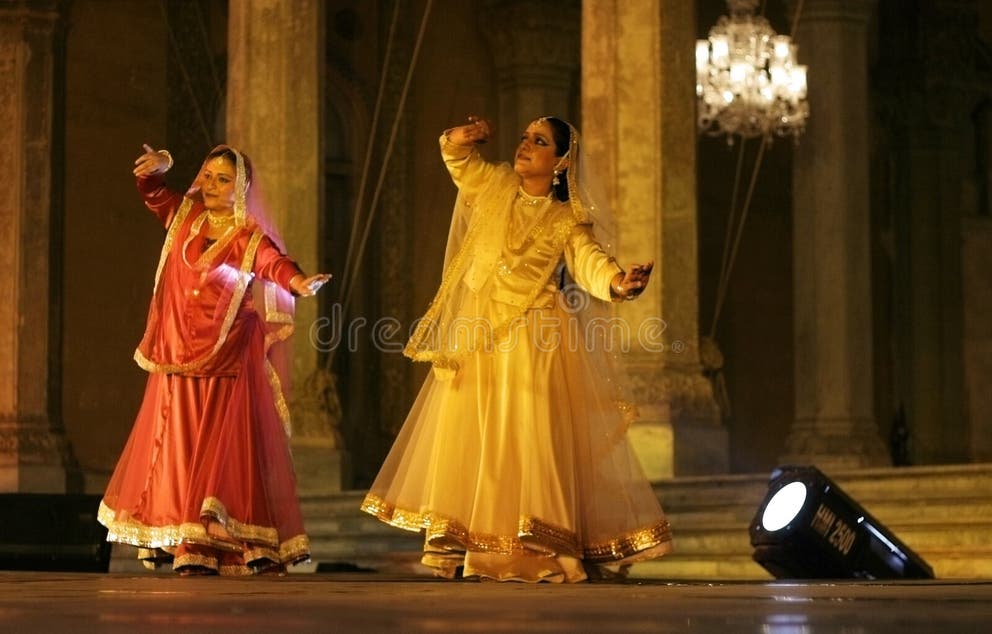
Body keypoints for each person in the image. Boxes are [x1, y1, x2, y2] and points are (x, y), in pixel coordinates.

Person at [361, 115, 673, 582]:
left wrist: (619, 283)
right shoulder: (495, 185)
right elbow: (460, 162)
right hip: (480, 337)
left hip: (535, 340)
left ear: (561, 160)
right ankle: (475, 544)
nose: (525, 145)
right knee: (477, 437)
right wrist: (456, 140)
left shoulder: (567, 218)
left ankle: (537, 544)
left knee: (527, 439)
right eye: (525, 137)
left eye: (539, 141)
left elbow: (590, 262)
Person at [98, 143, 331, 576]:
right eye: (207, 176)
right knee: (179, 454)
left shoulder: (247, 237)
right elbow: (153, 194)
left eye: (222, 179)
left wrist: (299, 282)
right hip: (177, 359)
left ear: (240, 187)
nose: (211, 185)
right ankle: (186, 538)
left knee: (222, 457)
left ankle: (220, 542)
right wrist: (155, 171)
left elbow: (273, 264)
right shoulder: (183, 219)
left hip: (225, 360)